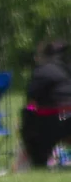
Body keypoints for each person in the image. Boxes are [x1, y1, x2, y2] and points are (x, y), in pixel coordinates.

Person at [20, 39, 71, 169]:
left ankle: (37, 160)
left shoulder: (42, 71)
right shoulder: (66, 70)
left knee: (29, 119)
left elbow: (31, 101)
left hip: (54, 120)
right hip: (66, 117)